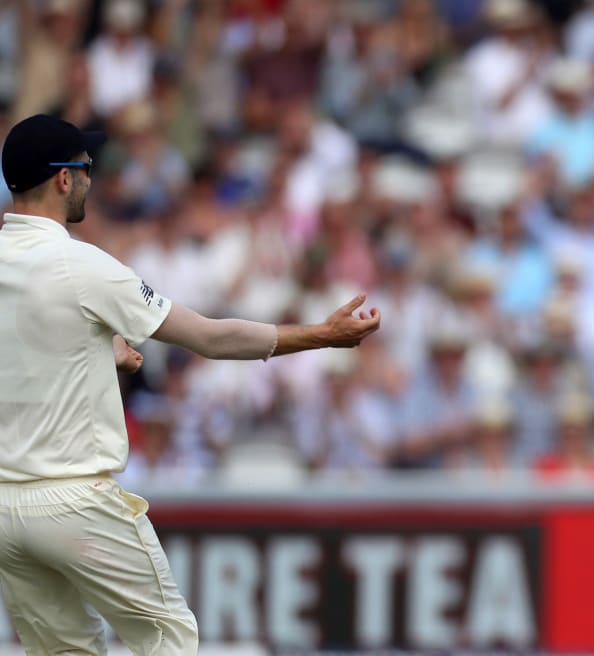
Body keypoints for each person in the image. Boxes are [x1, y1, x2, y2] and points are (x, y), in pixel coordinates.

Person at [0, 114, 381, 654]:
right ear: (63, 179)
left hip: (6, 508)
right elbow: (210, 338)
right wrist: (321, 335)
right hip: (75, 501)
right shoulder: (82, 265)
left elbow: (28, 342)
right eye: (84, 168)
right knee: (170, 640)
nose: (90, 178)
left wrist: (99, 350)